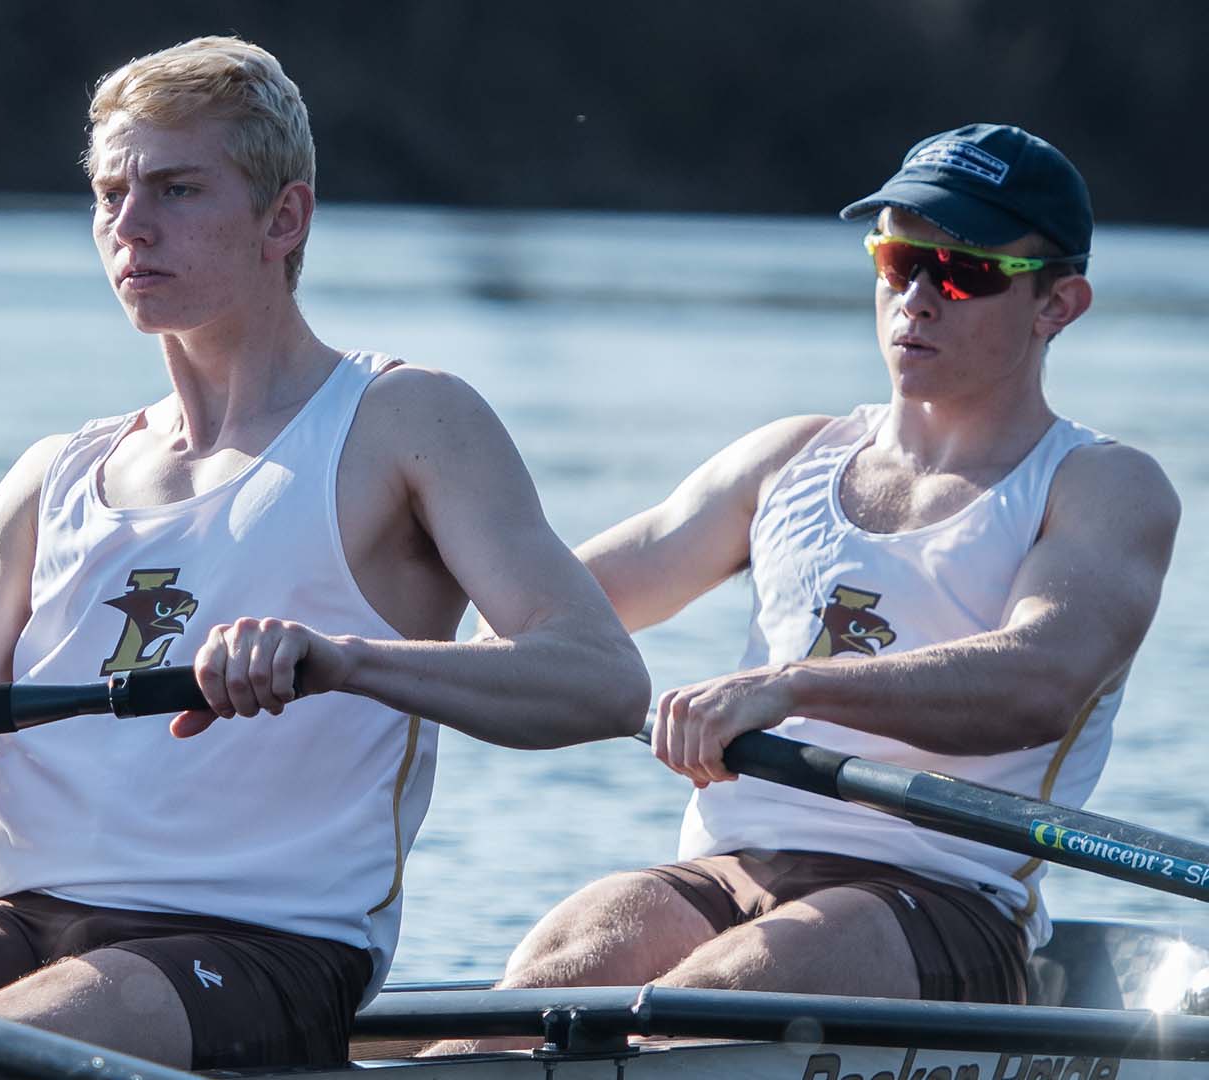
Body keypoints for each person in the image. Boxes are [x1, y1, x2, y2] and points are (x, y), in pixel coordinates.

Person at [0, 35, 647, 1078]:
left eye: (177, 188)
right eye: (110, 193)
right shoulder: (54, 476)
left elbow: (600, 681)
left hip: (264, 949)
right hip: (24, 922)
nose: (130, 226)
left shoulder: (404, 422)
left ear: (282, 217)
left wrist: (343, 662)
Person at [428, 123, 1180, 1055]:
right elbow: (558, 603)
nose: (915, 299)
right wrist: (367, 660)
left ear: (1058, 304)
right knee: (534, 997)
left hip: (939, 896)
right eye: (898, 258)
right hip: (730, 867)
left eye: (963, 272)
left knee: (701, 1011)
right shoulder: (789, 456)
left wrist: (792, 685)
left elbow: (1039, 680)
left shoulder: (1102, 486)